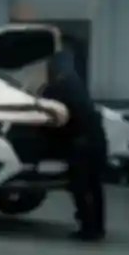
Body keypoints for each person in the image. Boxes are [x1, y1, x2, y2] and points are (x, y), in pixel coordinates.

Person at [42, 49, 106, 241]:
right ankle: (98, 227)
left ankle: (87, 229)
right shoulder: (78, 85)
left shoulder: (58, 88)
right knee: (95, 187)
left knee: (80, 187)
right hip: (97, 142)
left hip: (81, 146)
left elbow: (51, 117)